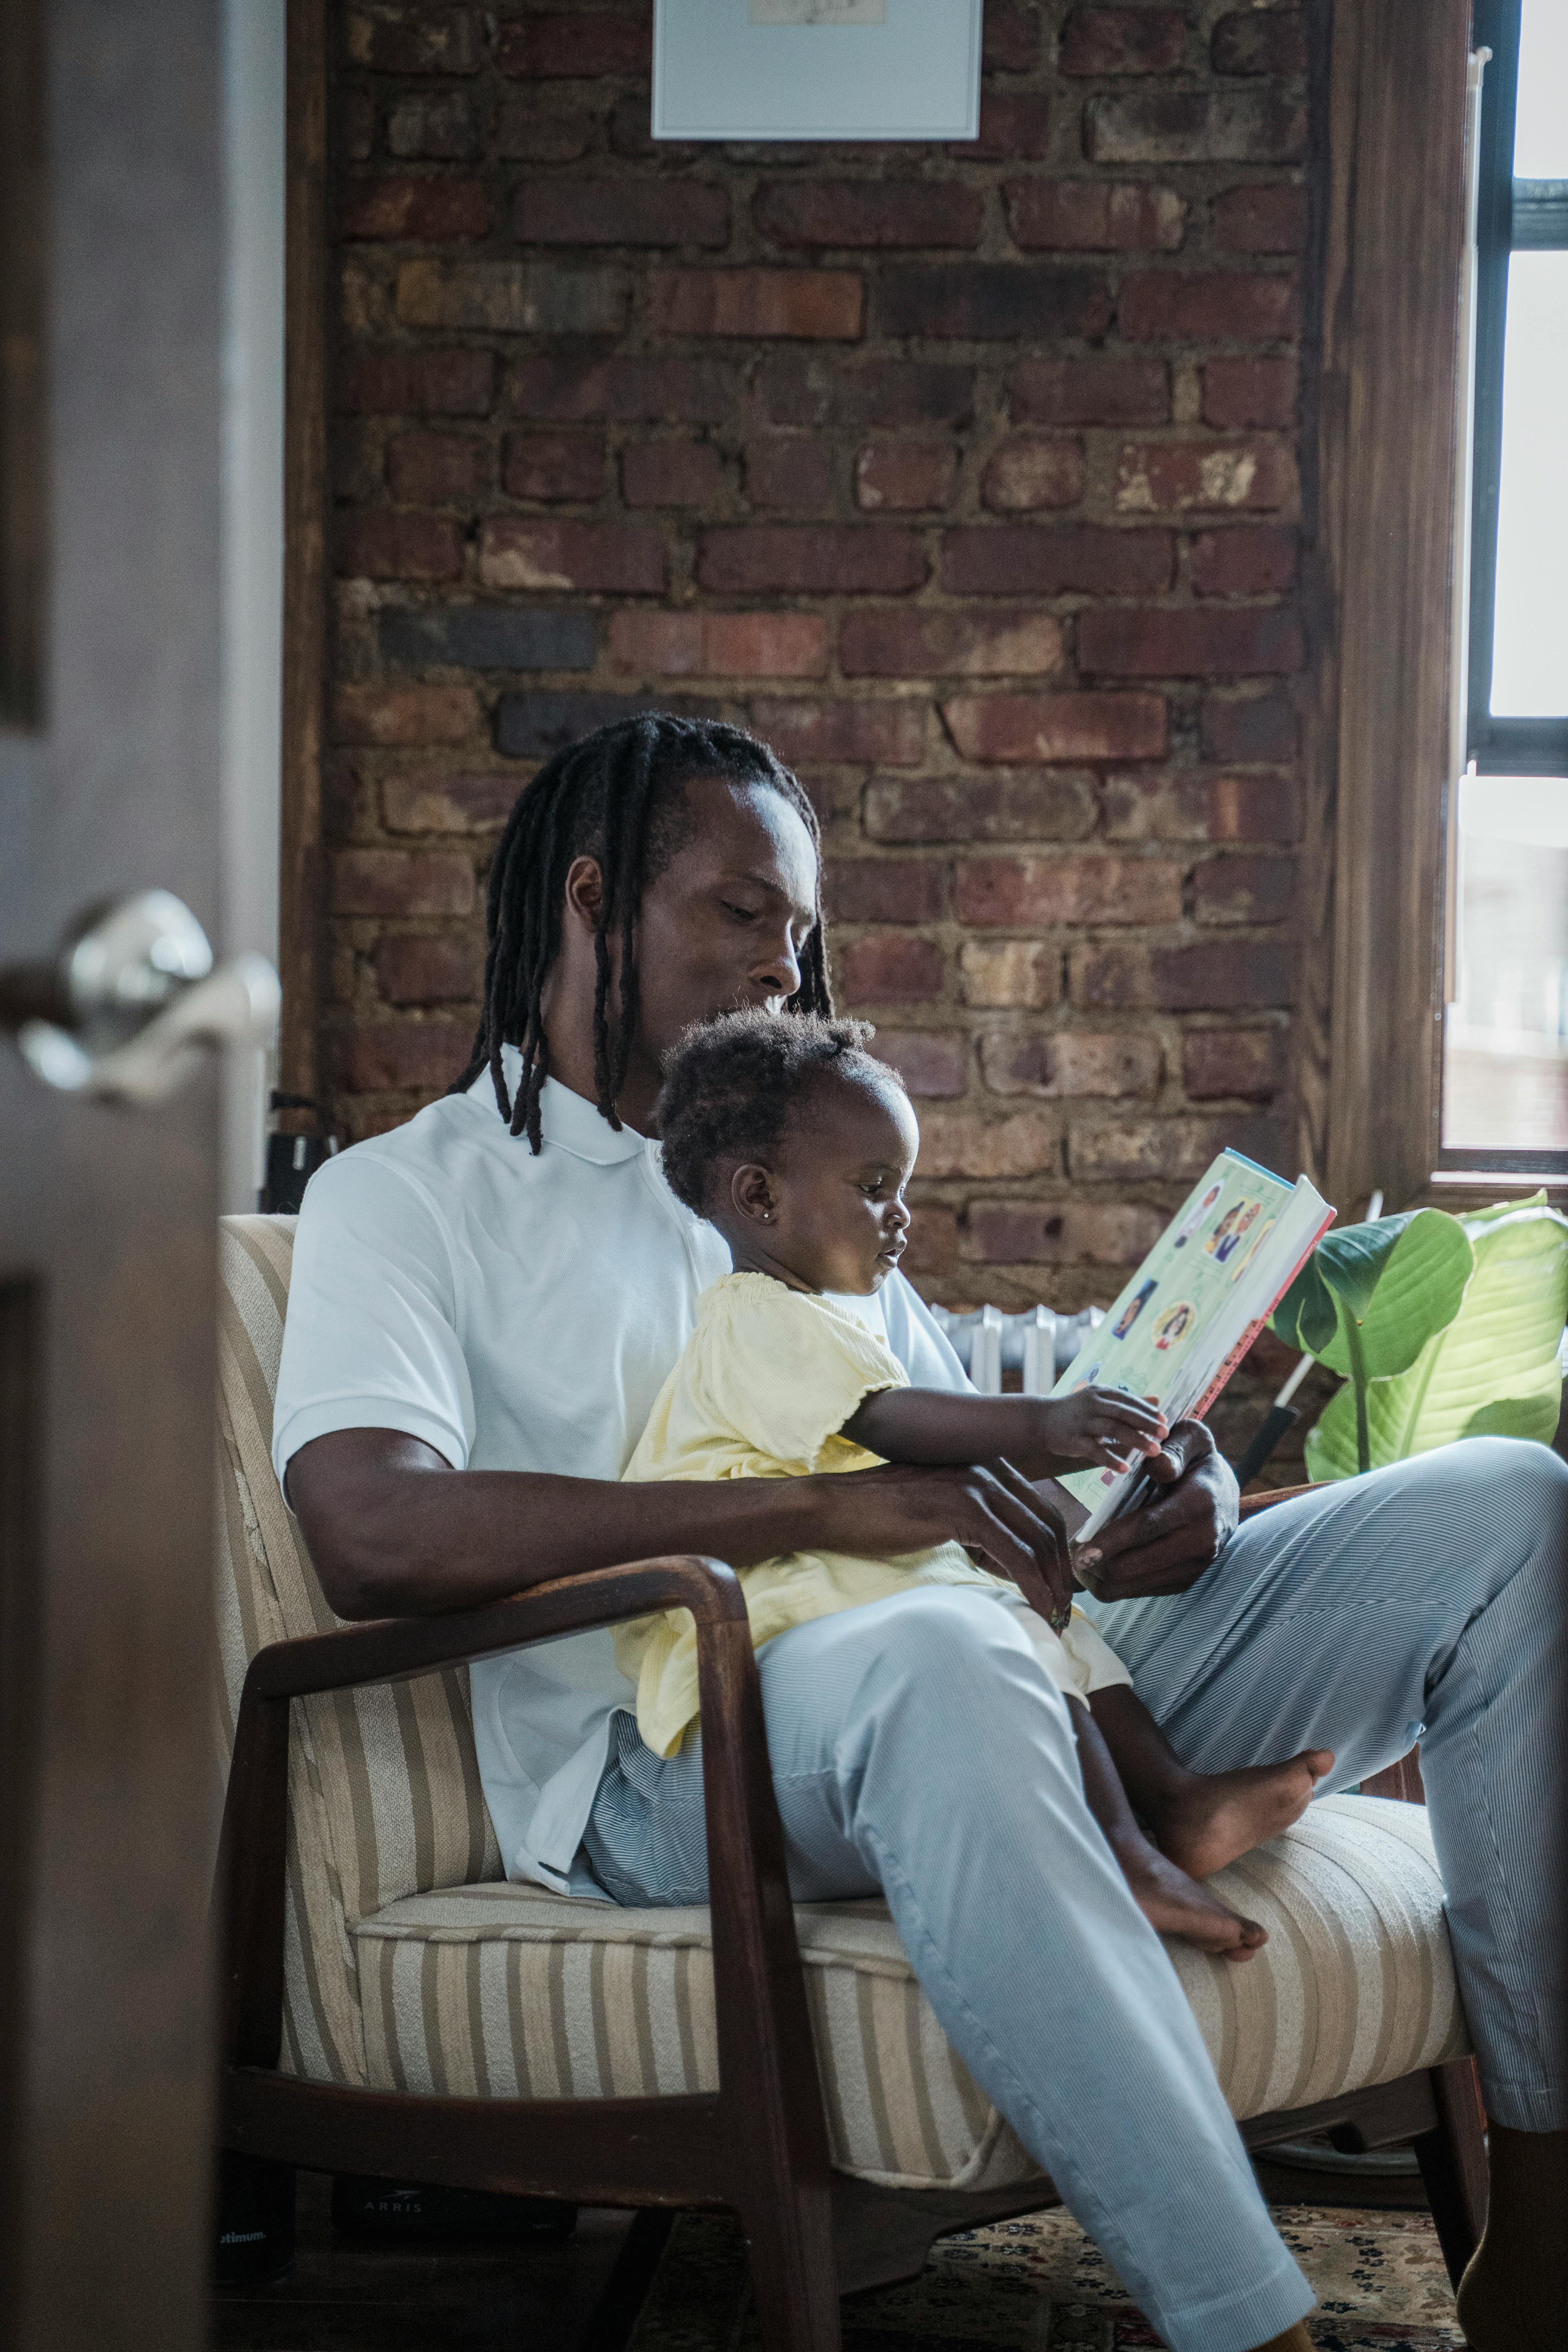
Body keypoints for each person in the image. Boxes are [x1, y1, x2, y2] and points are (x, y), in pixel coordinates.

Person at [276, 714, 1567, 2352]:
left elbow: (977, 1496)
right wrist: (821, 1508)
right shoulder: (413, 1194)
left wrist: (1149, 1510)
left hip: (954, 1664)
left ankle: (1542, 2234)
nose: (779, 963)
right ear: (590, 899)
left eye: (798, 929)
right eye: (740, 914)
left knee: (1511, 1510)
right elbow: (369, 1525)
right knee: (945, 1650)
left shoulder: (798, 1175)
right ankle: (1250, 2326)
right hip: (666, 1755)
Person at [619, 1005, 1333, 1961]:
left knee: (1046, 1616)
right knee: (1001, 1625)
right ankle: (1124, 1852)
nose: (900, 1216)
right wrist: (1049, 1423)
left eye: (900, 1187)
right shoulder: (756, 1314)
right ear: (758, 1197)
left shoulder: (818, 1312)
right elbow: (893, 1421)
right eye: (874, 1188)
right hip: (781, 1597)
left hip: (846, 1574)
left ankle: (1171, 1799)